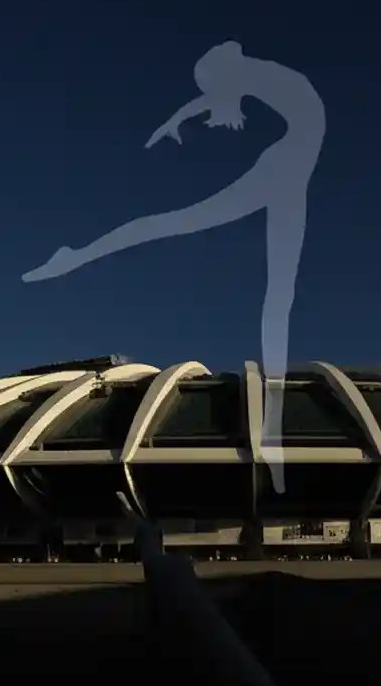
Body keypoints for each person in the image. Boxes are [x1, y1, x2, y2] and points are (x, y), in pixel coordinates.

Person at [23, 41, 326, 493]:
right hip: (285, 167)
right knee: (206, 242)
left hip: (287, 170)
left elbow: (215, 93)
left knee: (273, 292)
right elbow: (216, 93)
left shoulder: (265, 78)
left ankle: (274, 440)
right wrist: (179, 117)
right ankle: (78, 254)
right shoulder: (271, 80)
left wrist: (180, 116)